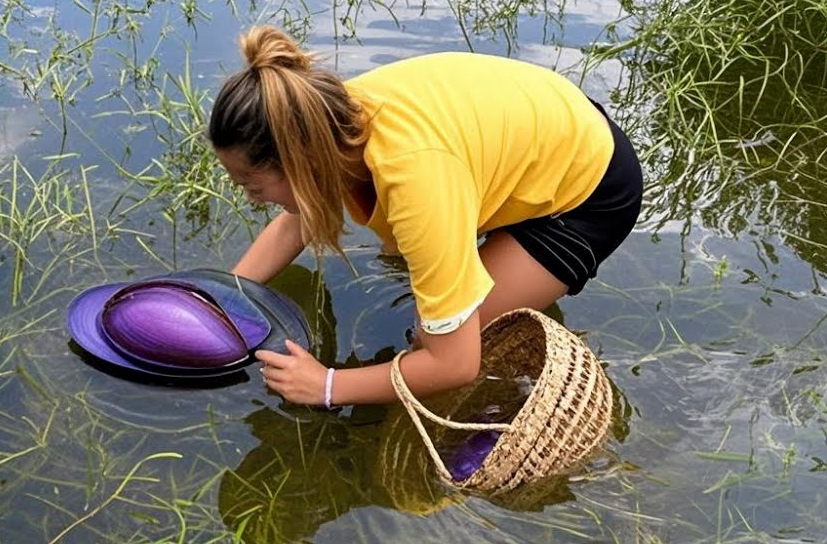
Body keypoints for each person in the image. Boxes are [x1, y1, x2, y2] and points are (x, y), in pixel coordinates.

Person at [207, 26, 642, 408]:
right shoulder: (324, 119)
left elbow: (454, 365)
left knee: (434, 337)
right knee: (442, 302)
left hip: (587, 191)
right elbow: (296, 219)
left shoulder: (414, 182)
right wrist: (224, 299)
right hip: (535, 138)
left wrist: (327, 385)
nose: (253, 201)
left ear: (301, 163)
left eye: (253, 186)